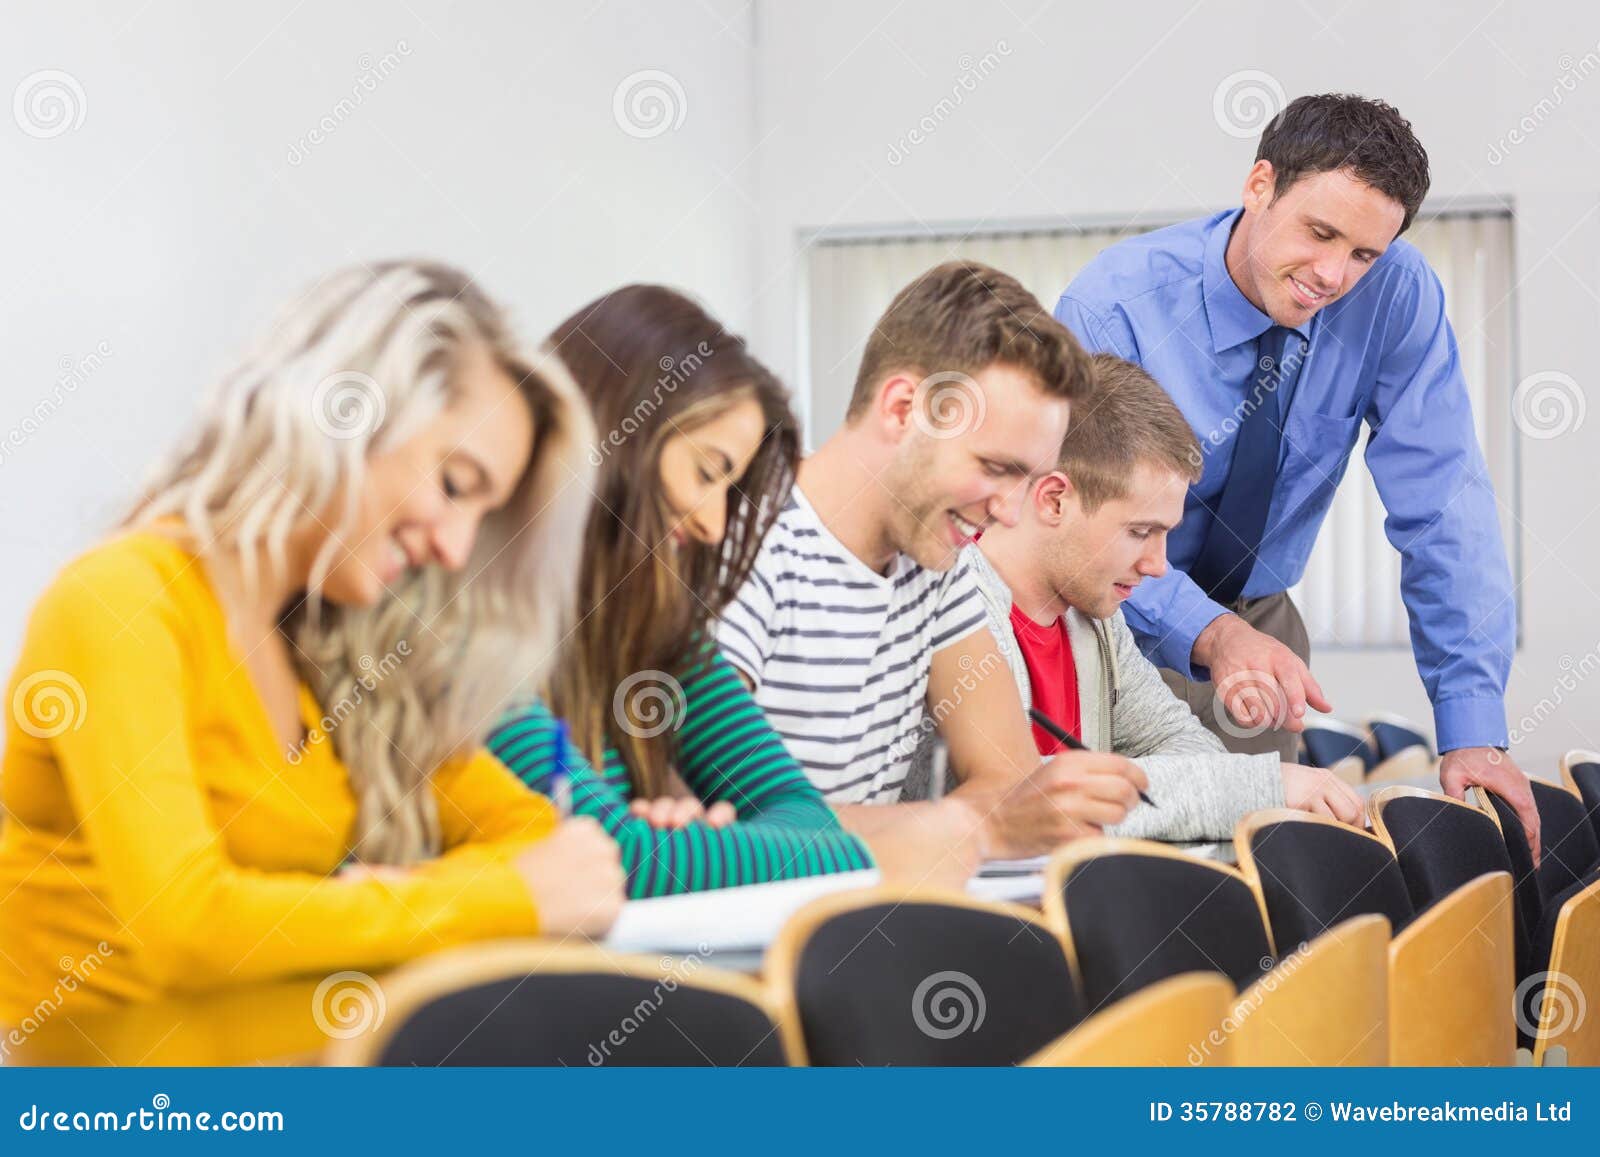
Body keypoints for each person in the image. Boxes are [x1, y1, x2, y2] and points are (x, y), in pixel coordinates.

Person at [0, 262, 623, 1019]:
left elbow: (529, 834)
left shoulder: (324, 650)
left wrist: (426, 899)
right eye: (455, 485)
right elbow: (188, 927)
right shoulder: (122, 597)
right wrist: (489, 900)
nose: (457, 549)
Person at [1054, 93, 1537, 858]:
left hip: (1262, 621)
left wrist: (1474, 728)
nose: (1332, 275)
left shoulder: (1395, 295)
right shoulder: (1114, 307)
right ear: (1259, 186)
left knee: (1258, 873)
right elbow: (1072, 530)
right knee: (1126, 868)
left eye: (1363, 253)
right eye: (1319, 232)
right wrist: (1208, 631)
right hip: (1109, 616)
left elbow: (1445, 505)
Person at [719, 260, 1147, 874]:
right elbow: (728, 823)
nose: (1005, 512)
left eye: (1027, 480)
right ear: (901, 410)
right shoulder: (745, 541)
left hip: (860, 918)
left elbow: (1012, 783)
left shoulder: (935, 559)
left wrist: (973, 823)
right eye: (996, 468)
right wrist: (972, 826)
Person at [487, 286, 876, 896]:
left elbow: (827, 840)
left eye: (731, 488)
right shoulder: (467, 628)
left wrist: (685, 847)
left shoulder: (658, 631)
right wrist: (678, 851)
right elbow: (619, 865)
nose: (714, 525)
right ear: (617, 431)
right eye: (706, 471)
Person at [906, 354, 1364, 833]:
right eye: (1140, 531)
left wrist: (1212, 791)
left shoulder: (1097, 617)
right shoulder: (954, 607)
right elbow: (1020, 802)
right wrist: (1261, 787)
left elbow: (1188, 747)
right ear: (1054, 499)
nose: (1158, 565)